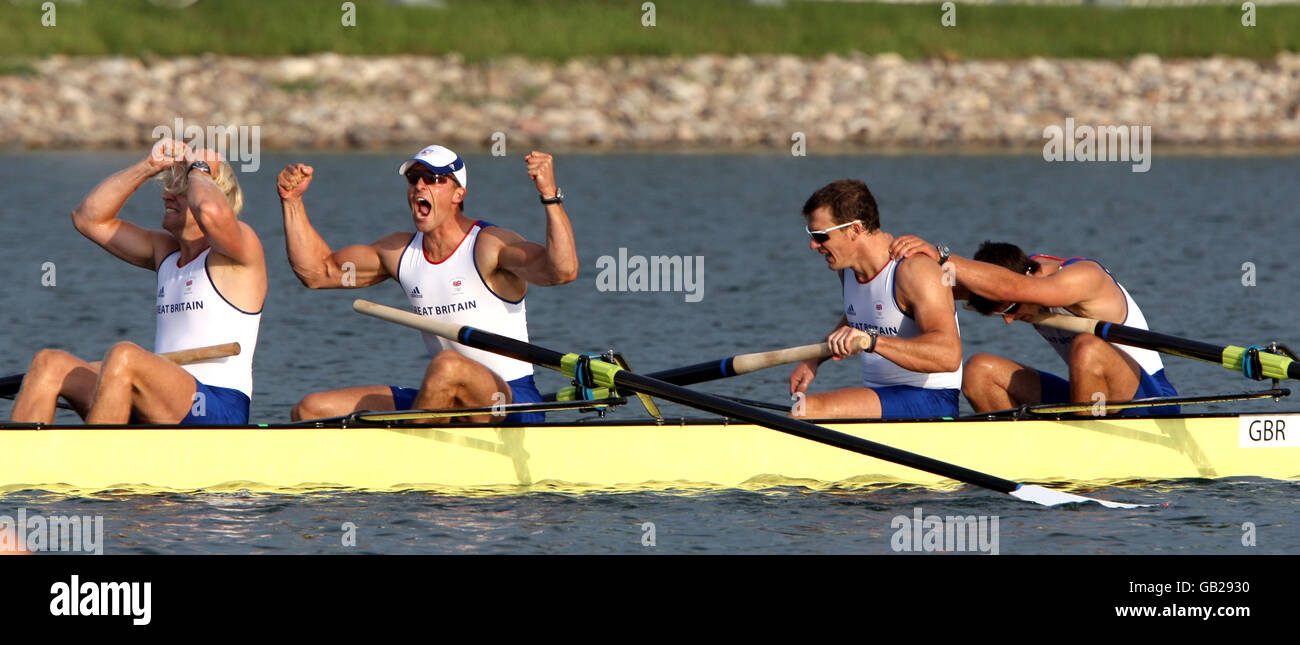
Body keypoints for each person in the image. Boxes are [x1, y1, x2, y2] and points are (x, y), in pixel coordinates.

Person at [280, 145, 578, 423]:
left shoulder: (489, 245)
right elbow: (317, 273)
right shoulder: (399, 252)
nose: (420, 186)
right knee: (310, 409)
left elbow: (562, 271)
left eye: (433, 179)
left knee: (448, 364)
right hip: (445, 396)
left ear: (458, 194)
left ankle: (411, 458)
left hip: (510, 401)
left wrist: (550, 195)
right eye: (414, 179)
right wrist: (292, 202)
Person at [10, 139, 265, 425]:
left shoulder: (240, 250)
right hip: (157, 400)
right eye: (167, 186)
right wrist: (148, 167)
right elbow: (88, 218)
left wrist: (201, 168)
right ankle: (12, 463)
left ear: (211, 191)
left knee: (125, 356)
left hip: (217, 408)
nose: (167, 194)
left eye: (180, 188)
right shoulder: (164, 251)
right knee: (49, 363)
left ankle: (94, 463)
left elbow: (210, 211)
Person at [888, 237, 1178, 415]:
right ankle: (1024, 452)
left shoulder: (1081, 278)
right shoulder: (1022, 274)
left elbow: (1010, 287)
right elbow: (933, 285)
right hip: (1090, 397)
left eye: (1011, 309)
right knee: (979, 371)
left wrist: (943, 256)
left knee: (1087, 347)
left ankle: (1084, 447)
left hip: (1148, 400)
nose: (1010, 319)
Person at [788, 179, 963, 419]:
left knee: (806, 410)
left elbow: (948, 355)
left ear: (855, 230)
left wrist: (870, 341)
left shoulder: (915, 270)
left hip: (931, 400)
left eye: (820, 235)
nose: (813, 245)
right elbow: (863, 315)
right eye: (811, 234)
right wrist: (815, 358)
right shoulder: (847, 268)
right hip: (881, 396)